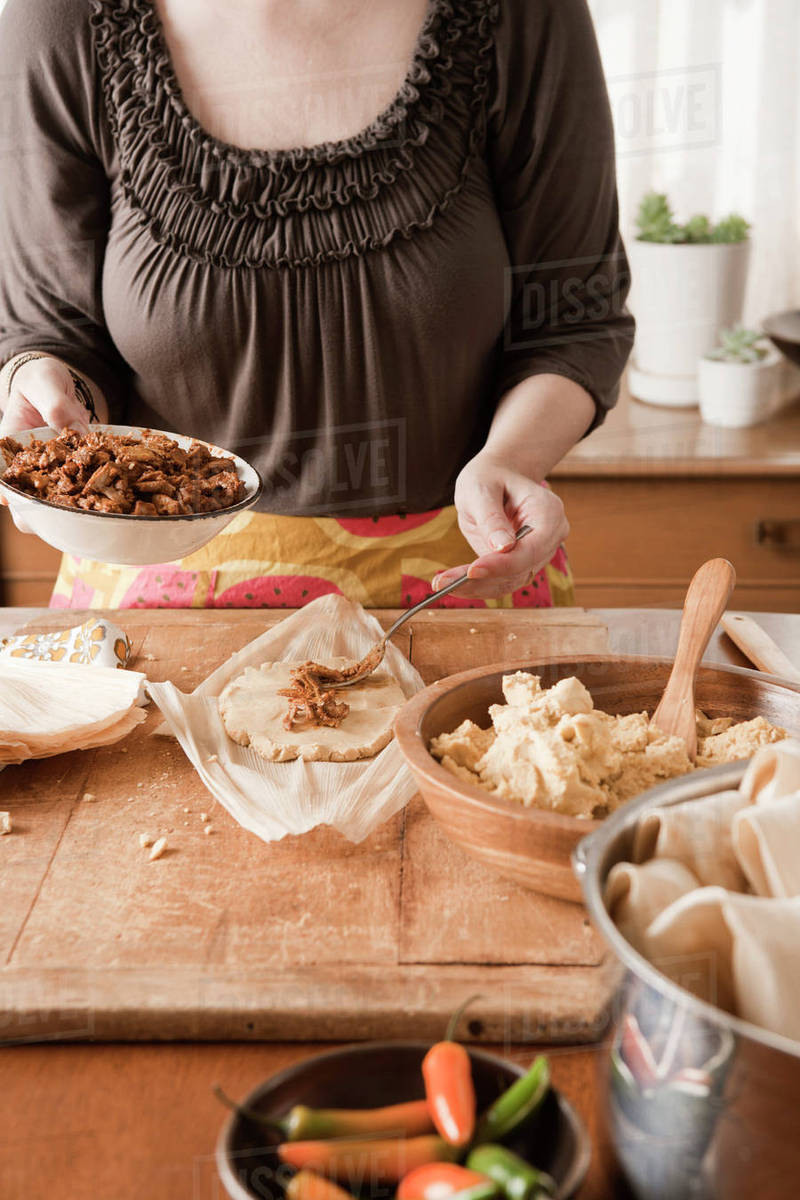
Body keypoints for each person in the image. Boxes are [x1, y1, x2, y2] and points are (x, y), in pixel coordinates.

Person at [0, 0, 634, 611]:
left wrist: (512, 460)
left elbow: (574, 320)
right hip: (152, 609)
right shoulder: (63, 15)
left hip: (460, 586)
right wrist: (47, 391)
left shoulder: (524, 13)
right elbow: (56, 329)